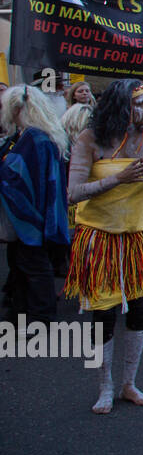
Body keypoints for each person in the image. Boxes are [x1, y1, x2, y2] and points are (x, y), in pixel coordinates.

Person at [65, 80, 143, 414]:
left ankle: (129, 383)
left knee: (140, 309)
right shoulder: (89, 139)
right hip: (99, 238)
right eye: (138, 104)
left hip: (138, 237)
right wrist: (118, 178)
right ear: (119, 107)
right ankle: (105, 387)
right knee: (103, 314)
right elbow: (73, 193)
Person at [0, 86, 71, 327]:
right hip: (30, 215)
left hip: (31, 216)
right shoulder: (30, 136)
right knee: (22, 264)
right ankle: (20, 313)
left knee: (34, 266)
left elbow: (26, 179)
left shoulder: (35, 139)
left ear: (18, 108)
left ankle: (41, 317)